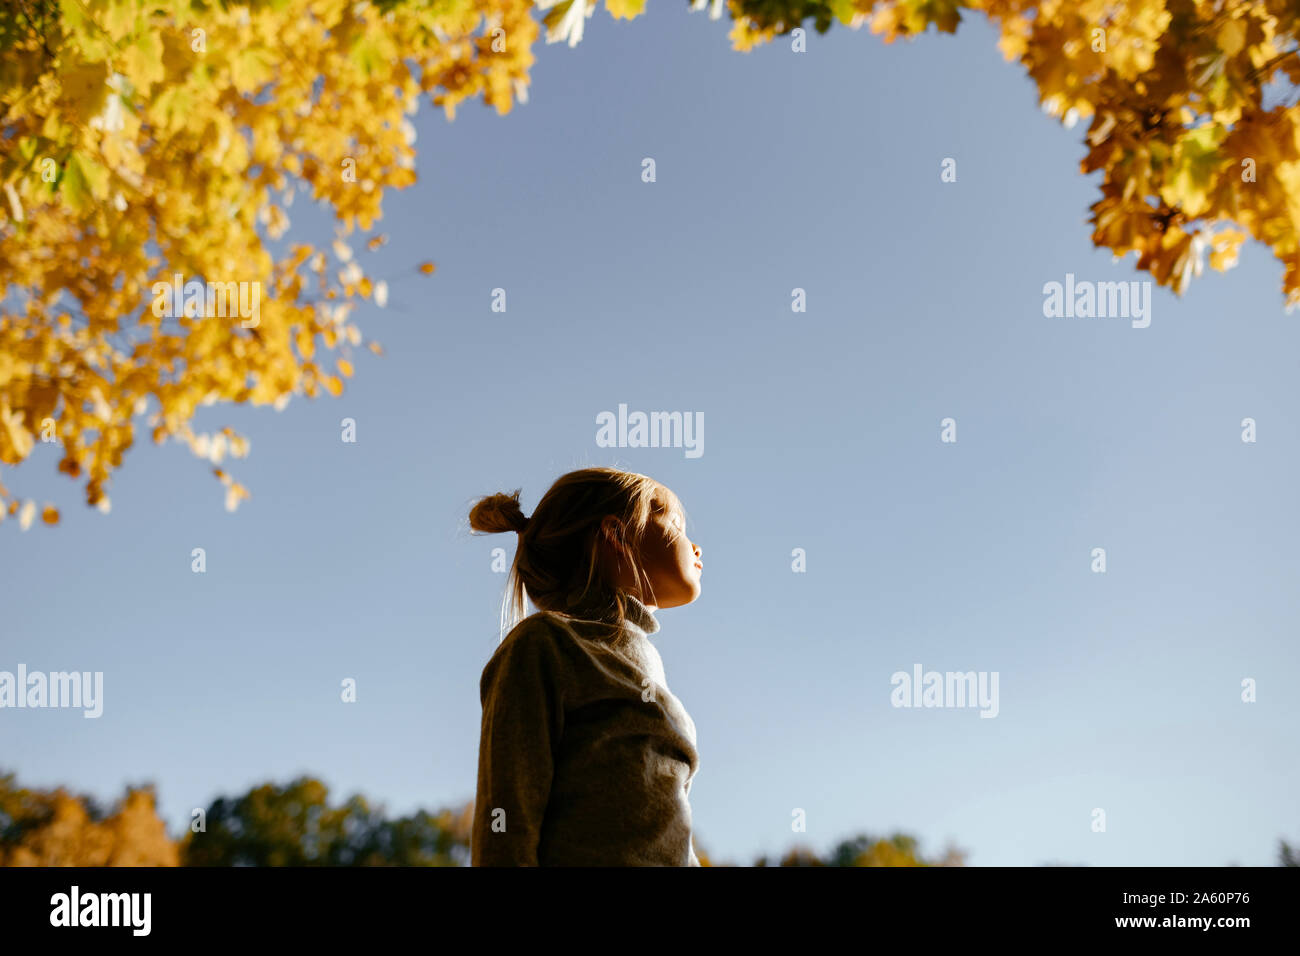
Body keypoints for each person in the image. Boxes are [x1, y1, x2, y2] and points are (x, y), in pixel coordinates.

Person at [467, 467, 704, 866]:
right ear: (616, 534)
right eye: (676, 525)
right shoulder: (545, 645)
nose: (695, 547)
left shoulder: (656, 680)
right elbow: (505, 816)